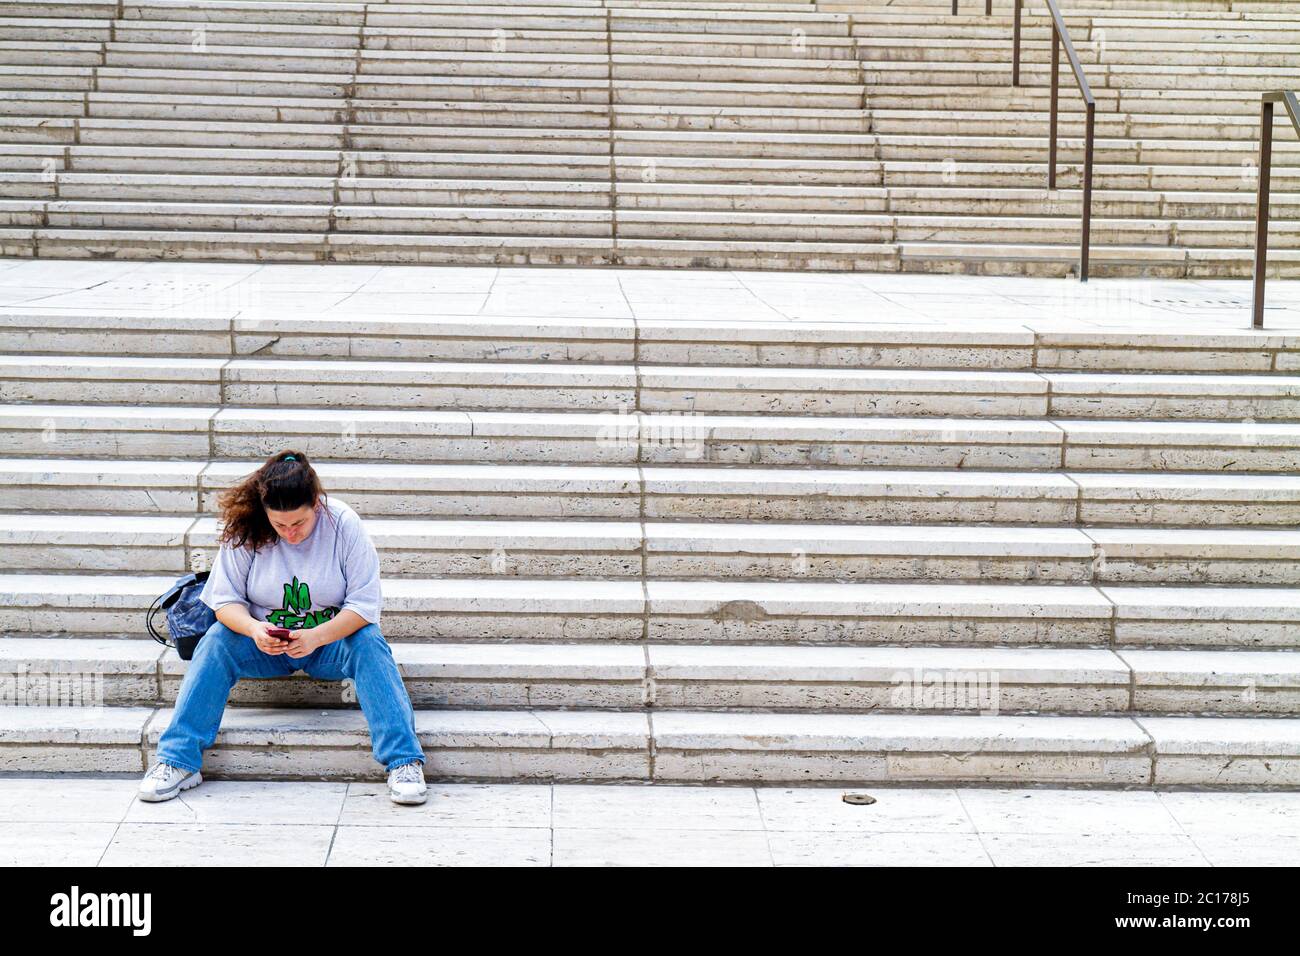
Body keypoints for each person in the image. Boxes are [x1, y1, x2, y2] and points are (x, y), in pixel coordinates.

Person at [138, 450, 428, 805]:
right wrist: (254, 630)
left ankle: (404, 761)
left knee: (369, 642)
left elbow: (364, 607)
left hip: (329, 641)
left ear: (316, 506)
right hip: (264, 645)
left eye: (300, 524)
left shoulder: (343, 524)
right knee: (215, 641)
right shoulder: (245, 528)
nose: (291, 534)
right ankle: (177, 760)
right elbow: (224, 601)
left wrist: (316, 637)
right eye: (280, 525)